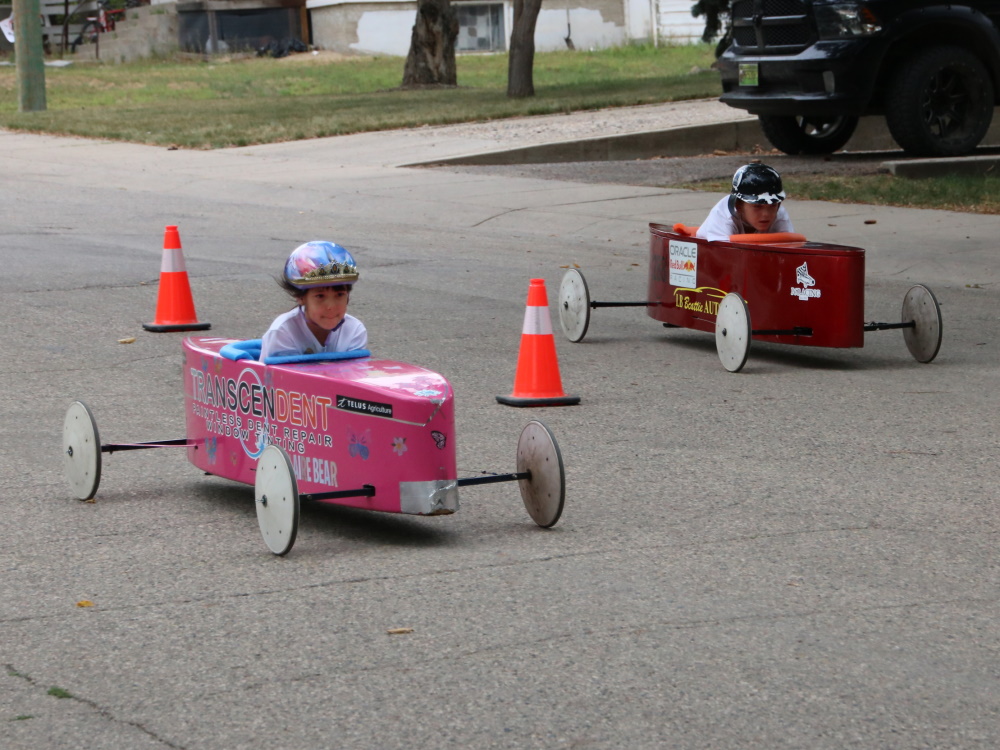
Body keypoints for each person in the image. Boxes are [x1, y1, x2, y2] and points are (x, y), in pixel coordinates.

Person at [260, 241, 368, 360]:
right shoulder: (283, 332)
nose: (331, 306)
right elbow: (282, 373)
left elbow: (354, 370)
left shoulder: (354, 330)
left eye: (339, 295)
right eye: (320, 296)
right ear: (300, 297)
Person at [696, 163, 795, 241]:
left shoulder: (780, 214)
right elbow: (721, 255)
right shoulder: (722, 217)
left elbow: (790, 247)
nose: (766, 214)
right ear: (738, 205)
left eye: (773, 205)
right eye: (757, 206)